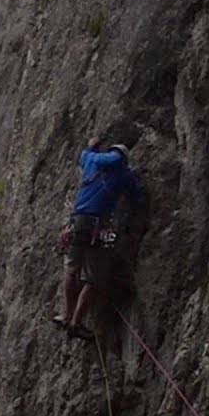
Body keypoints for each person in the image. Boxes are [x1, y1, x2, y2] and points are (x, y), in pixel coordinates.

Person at [54, 138, 142, 341]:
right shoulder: (123, 174)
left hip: (76, 222)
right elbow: (135, 195)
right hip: (97, 226)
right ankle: (76, 323)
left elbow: (83, 154)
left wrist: (92, 144)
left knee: (72, 268)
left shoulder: (93, 159)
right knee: (94, 278)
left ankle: (65, 314)